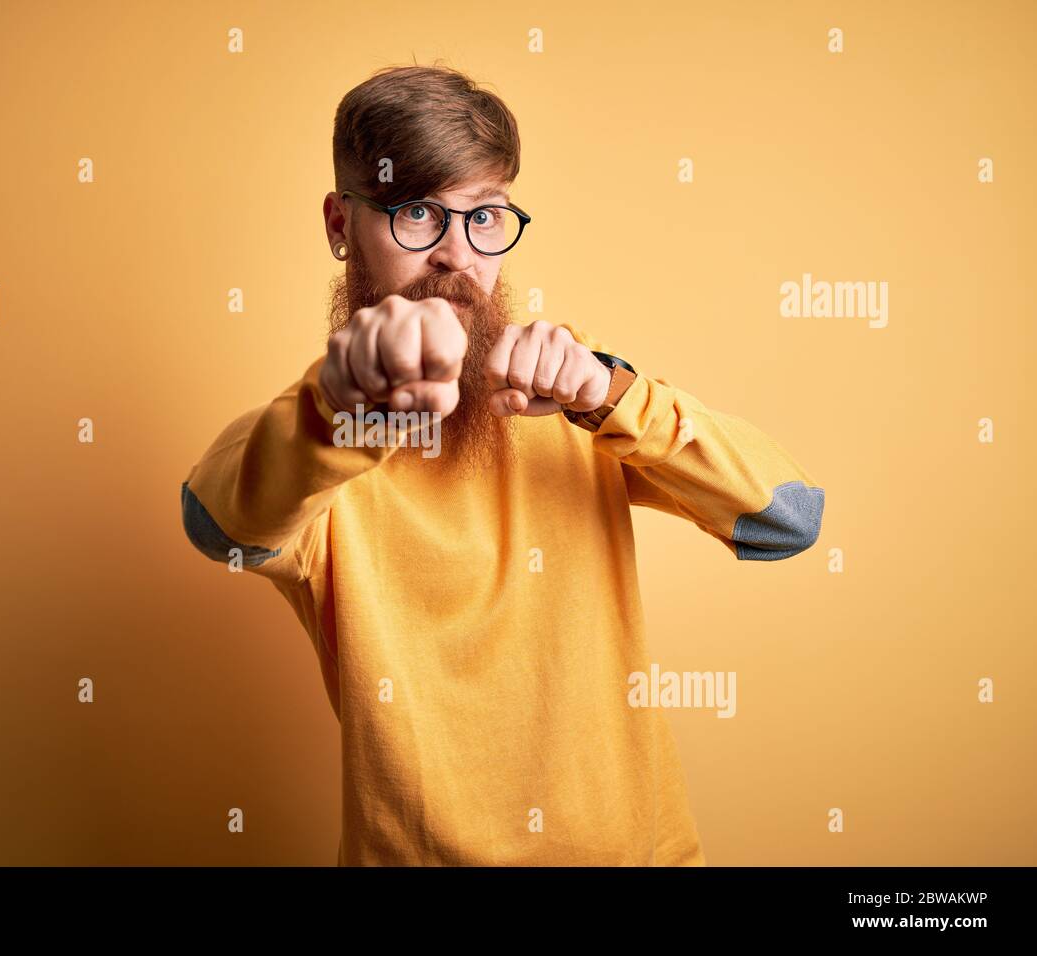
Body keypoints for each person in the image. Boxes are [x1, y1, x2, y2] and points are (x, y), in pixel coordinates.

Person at [181, 64, 825, 865]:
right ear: (340, 224)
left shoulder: (577, 411)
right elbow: (217, 525)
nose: (457, 255)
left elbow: (786, 520)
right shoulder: (320, 451)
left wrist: (609, 394)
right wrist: (341, 406)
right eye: (417, 212)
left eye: (485, 214)